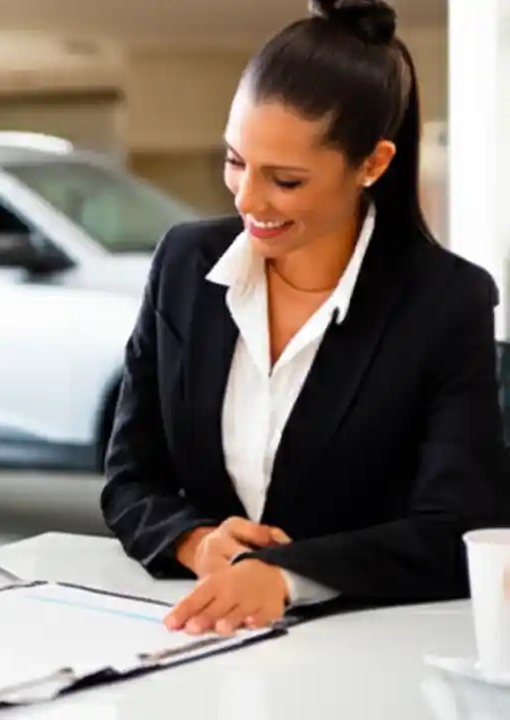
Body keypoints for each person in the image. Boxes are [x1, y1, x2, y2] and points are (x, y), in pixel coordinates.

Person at [102, 0, 510, 638]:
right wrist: (197, 542)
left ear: (372, 164)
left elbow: (460, 525)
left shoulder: (446, 302)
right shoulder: (185, 265)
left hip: (365, 652)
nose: (246, 199)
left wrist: (286, 574)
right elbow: (130, 477)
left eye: (285, 181)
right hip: (200, 638)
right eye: (236, 161)